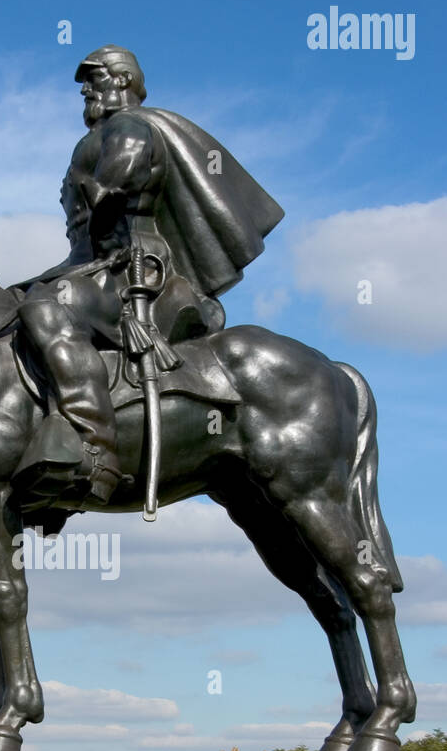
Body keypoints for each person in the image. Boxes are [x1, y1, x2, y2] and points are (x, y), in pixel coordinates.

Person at [15, 45, 284, 504]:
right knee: (13, 305)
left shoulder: (130, 128)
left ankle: (93, 448)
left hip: (134, 275)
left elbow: (112, 192)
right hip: (97, 268)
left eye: (93, 79)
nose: (85, 89)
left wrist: (89, 191)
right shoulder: (101, 136)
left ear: (121, 81)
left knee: (47, 305)